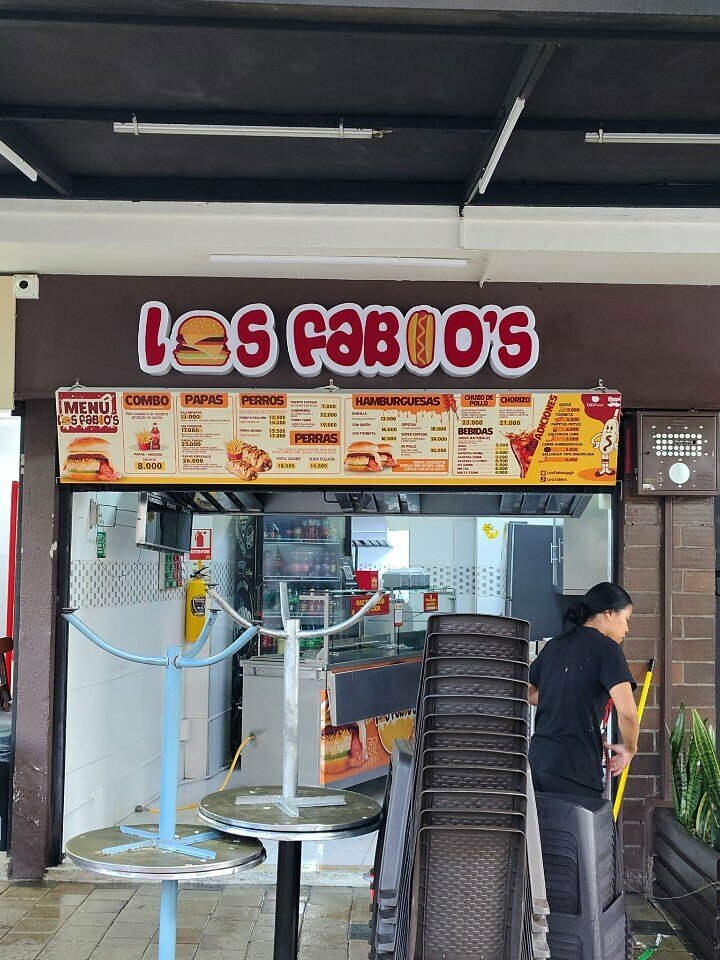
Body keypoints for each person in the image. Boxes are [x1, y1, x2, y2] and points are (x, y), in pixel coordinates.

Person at [528, 582, 639, 799]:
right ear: (608, 613)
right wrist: (629, 749)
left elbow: (528, 692)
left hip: (538, 763)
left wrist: (566, 691)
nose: (626, 629)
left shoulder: (555, 645)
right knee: (578, 833)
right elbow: (627, 712)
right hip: (574, 769)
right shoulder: (607, 650)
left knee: (542, 833)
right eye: (626, 619)